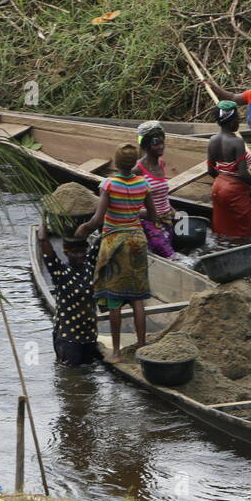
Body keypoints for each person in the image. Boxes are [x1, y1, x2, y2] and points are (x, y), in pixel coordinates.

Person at [72, 144, 160, 356]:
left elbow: (98, 219)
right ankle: (141, 346)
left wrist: (83, 229)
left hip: (115, 243)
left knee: (114, 298)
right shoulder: (143, 183)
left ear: (116, 163)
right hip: (137, 241)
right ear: (134, 163)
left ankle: (117, 353)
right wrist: (132, 211)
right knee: (138, 297)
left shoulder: (109, 184)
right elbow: (153, 216)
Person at [206, 101, 251, 245]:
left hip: (218, 187)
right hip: (233, 190)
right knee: (247, 229)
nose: (239, 122)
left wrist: (223, 180)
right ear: (231, 122)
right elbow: (243, 174)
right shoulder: (236, 142)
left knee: (223, 229)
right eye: (238, 119)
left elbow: (211, 170)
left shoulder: (212, 140)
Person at [36, 223, 101, 367]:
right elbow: (42, 240)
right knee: (69, 375)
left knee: (89, 375)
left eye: (82, 251)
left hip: (89, 334)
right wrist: (45, 217)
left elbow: (103, 237)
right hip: (68, 338)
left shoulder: (90, 264)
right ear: (66, 252)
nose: (80, 255)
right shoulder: (59, 272)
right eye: (74, 252)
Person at [134, 121, 180, 259]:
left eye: (162, 142)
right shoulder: (137, 170)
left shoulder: (161, 163)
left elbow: (162, 195)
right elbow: (127, 201)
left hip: (166, 219)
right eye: (156, 143)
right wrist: (143, 214)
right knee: (170, 257)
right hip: (149, 222)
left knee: (163, 254)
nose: (161, 146)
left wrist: (173, 211)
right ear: (146, 146)